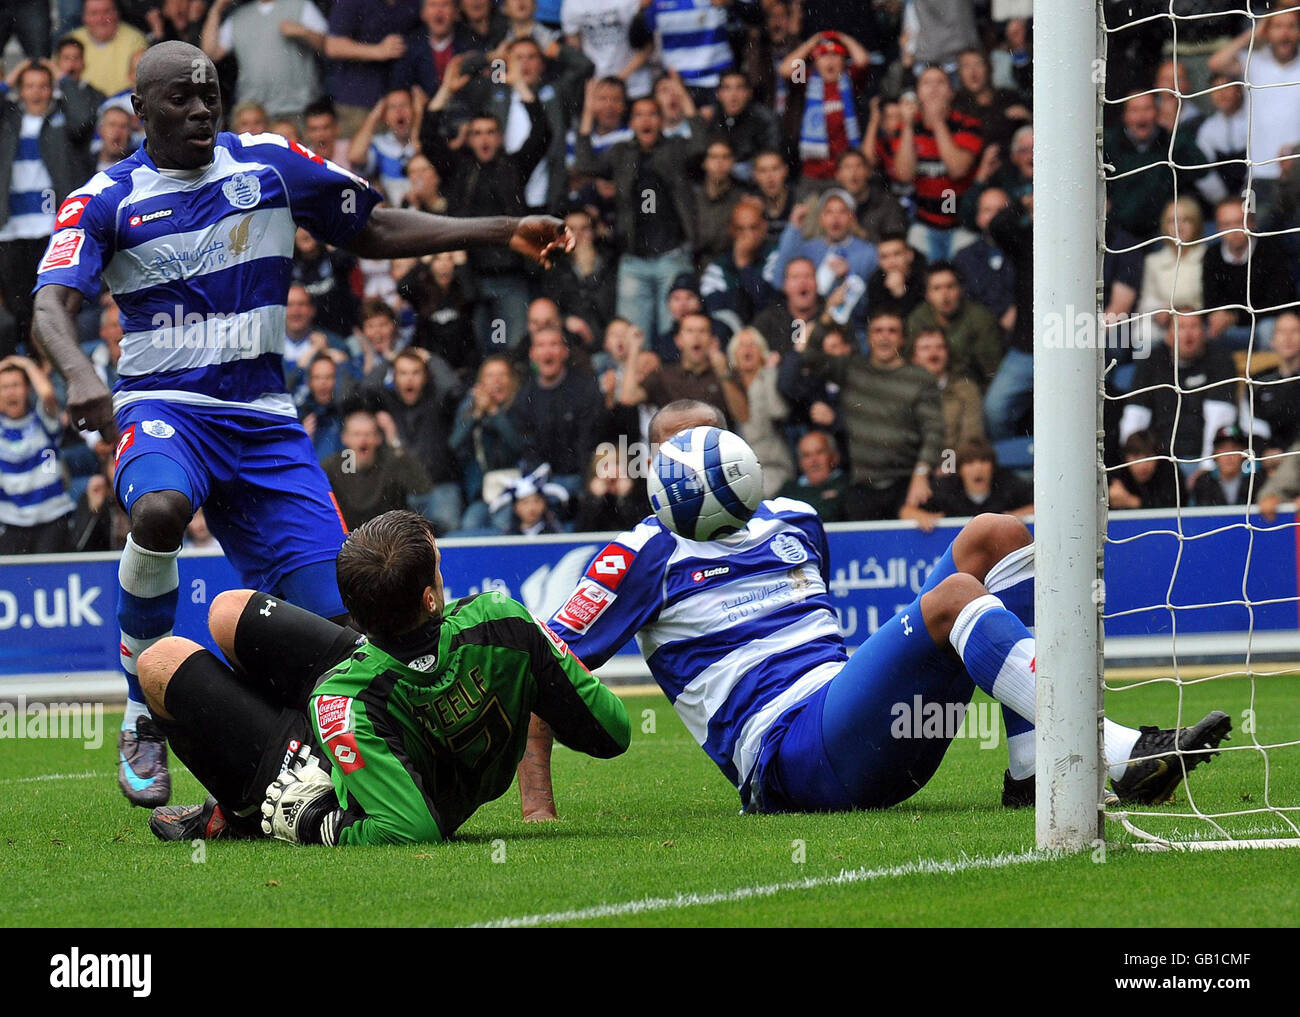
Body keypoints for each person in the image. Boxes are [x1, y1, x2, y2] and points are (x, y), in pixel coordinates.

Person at [29, 40, 571, 807]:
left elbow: (373, 226)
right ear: (137, 111)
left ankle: (281, 784)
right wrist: (80, 374)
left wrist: (499, 227)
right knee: (157, 509)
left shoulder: (269, 163)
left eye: (209, 93)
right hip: (165, 407)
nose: (199, 109)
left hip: (264, 420)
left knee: (340, 625)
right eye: (178, 98)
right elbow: (49, 303)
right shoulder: (104, 197)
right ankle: (141, 712)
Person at [537, 405, 1230, 816]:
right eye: (676, 455)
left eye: (709, 449)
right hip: (788, 757)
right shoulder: (637, 555)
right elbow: (545, 663)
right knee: (954, 597)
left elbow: (818, 635)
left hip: (850, 720)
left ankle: (1033, 771)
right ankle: (1113, 753)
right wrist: (537, 803)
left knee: (995, 533)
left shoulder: (796, 520)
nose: (694, 466)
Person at [143, 510, 630, 845]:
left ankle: (242, 812)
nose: (440, 569)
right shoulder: (502, 620)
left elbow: (409, 828)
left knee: (159, 661)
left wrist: (313, 820)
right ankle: (243, 778)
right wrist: (543, 662)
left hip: (337, 772)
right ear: (429, 599)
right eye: (436, 564)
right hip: (377, 709)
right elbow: (613, 732)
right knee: (228, 610)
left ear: (356, 614)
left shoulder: (340, 697)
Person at [0, 355, 74, 555]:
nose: (10, 392)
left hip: (51, 518)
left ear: (26, 389)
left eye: (15, 385)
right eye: (4, 387)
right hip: (11, 522)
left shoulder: (43, 421)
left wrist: (25, 363)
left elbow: (48, 393)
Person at [776, 427, 851, 523]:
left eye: (819, 452)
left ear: (834, 456)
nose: (813, 461)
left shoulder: (848, 485)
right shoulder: (788, 489)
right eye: (806, 455)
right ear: (800, 462)